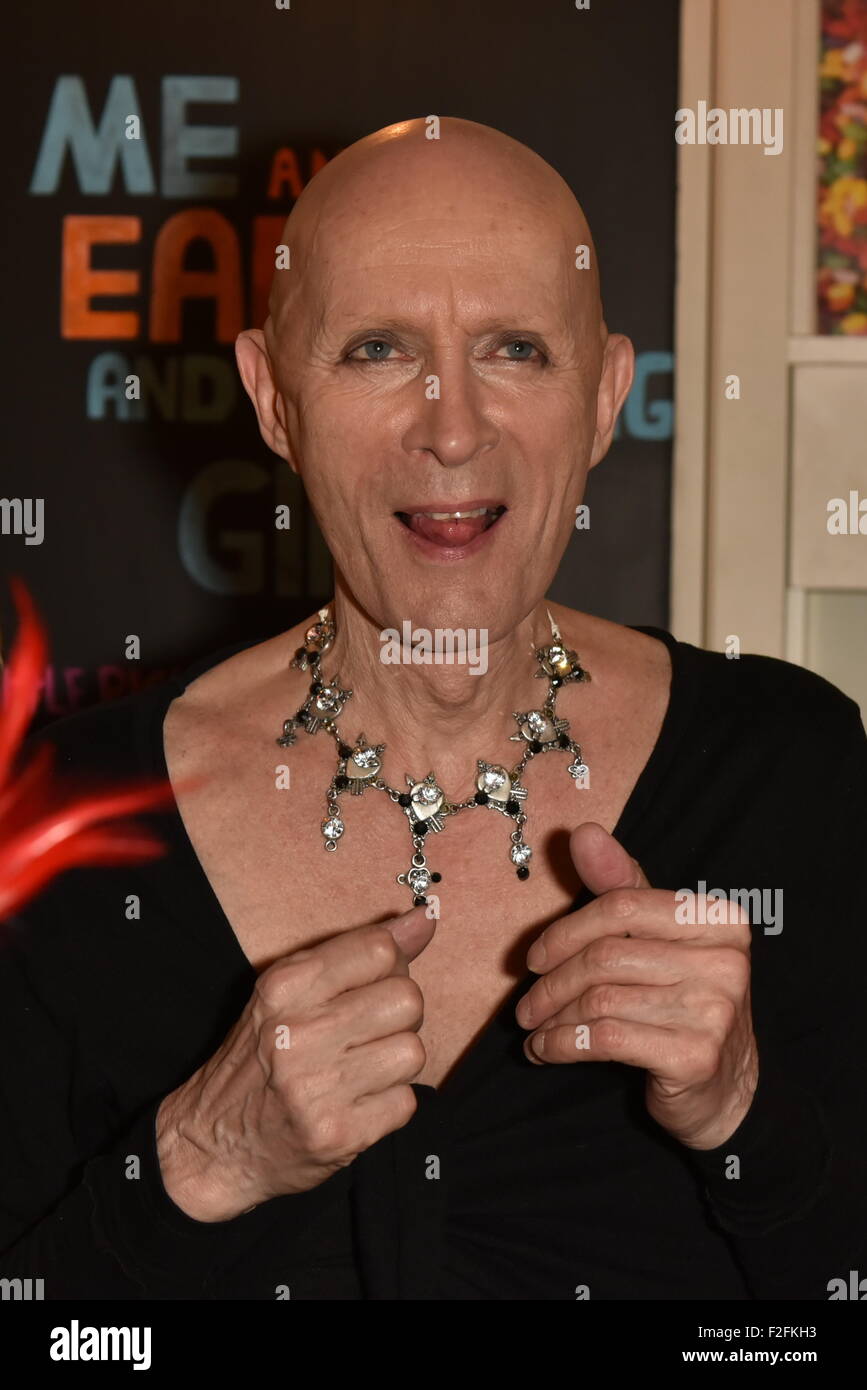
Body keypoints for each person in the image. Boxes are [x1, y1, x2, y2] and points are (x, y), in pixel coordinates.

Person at [1, 117, 865, 1301]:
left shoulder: (791, 771)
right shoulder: (73, 823)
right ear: (272, 399)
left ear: (607, 396)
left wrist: (746, 1118)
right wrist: (203, 1159)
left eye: (515, 347)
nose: (451, 428)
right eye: (374, 349)